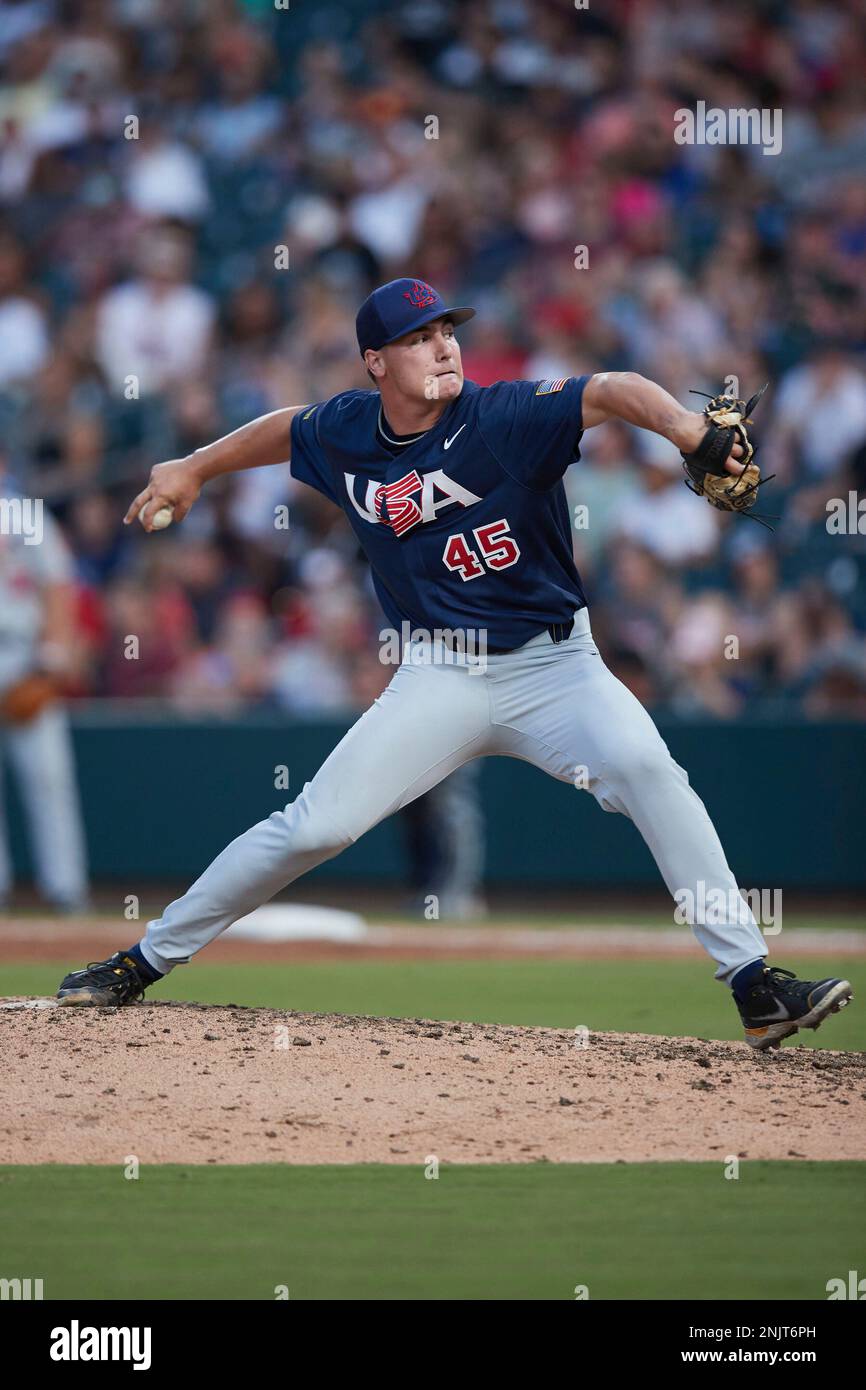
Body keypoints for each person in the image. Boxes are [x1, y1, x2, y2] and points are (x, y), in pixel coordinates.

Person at [57, 278, 853, 1050]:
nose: (444, 347)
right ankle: (144, 960)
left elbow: (611, 388)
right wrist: (194, 465)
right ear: (376, 362)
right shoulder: (346, 431)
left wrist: (686, 428)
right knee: (314, 827)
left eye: (447, 331)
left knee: (652, 772)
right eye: (419, 338)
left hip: (557, 668)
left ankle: (753, 982)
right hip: (439, 673)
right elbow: (284, 428)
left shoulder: (504, 415)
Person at [0, 462, 89, 911]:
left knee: (48, 779)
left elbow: (58, 586)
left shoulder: (21, 514)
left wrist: (51, 665)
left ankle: (65, 891)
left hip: (22, 655)